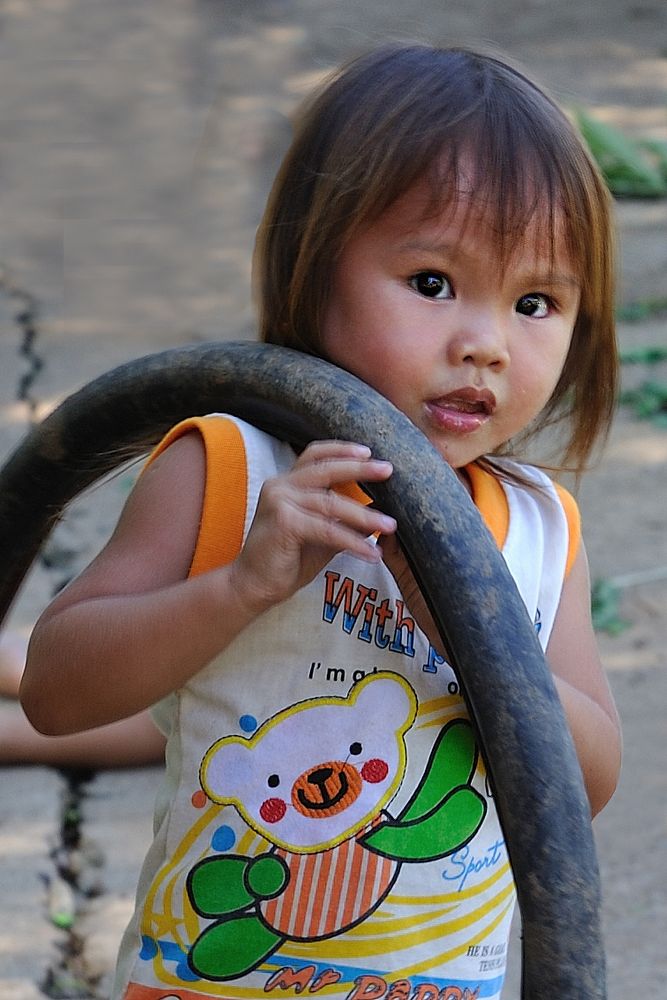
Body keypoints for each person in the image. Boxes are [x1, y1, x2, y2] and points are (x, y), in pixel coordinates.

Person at [20, 43, 622, 1000]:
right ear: (314, 268)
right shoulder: (229, 471)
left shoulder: (540, 533)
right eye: (431, 283)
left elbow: (580, 783)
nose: (485, 343)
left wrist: (480, 632)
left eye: (535, 302)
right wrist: (239, 587)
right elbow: (59, 689)